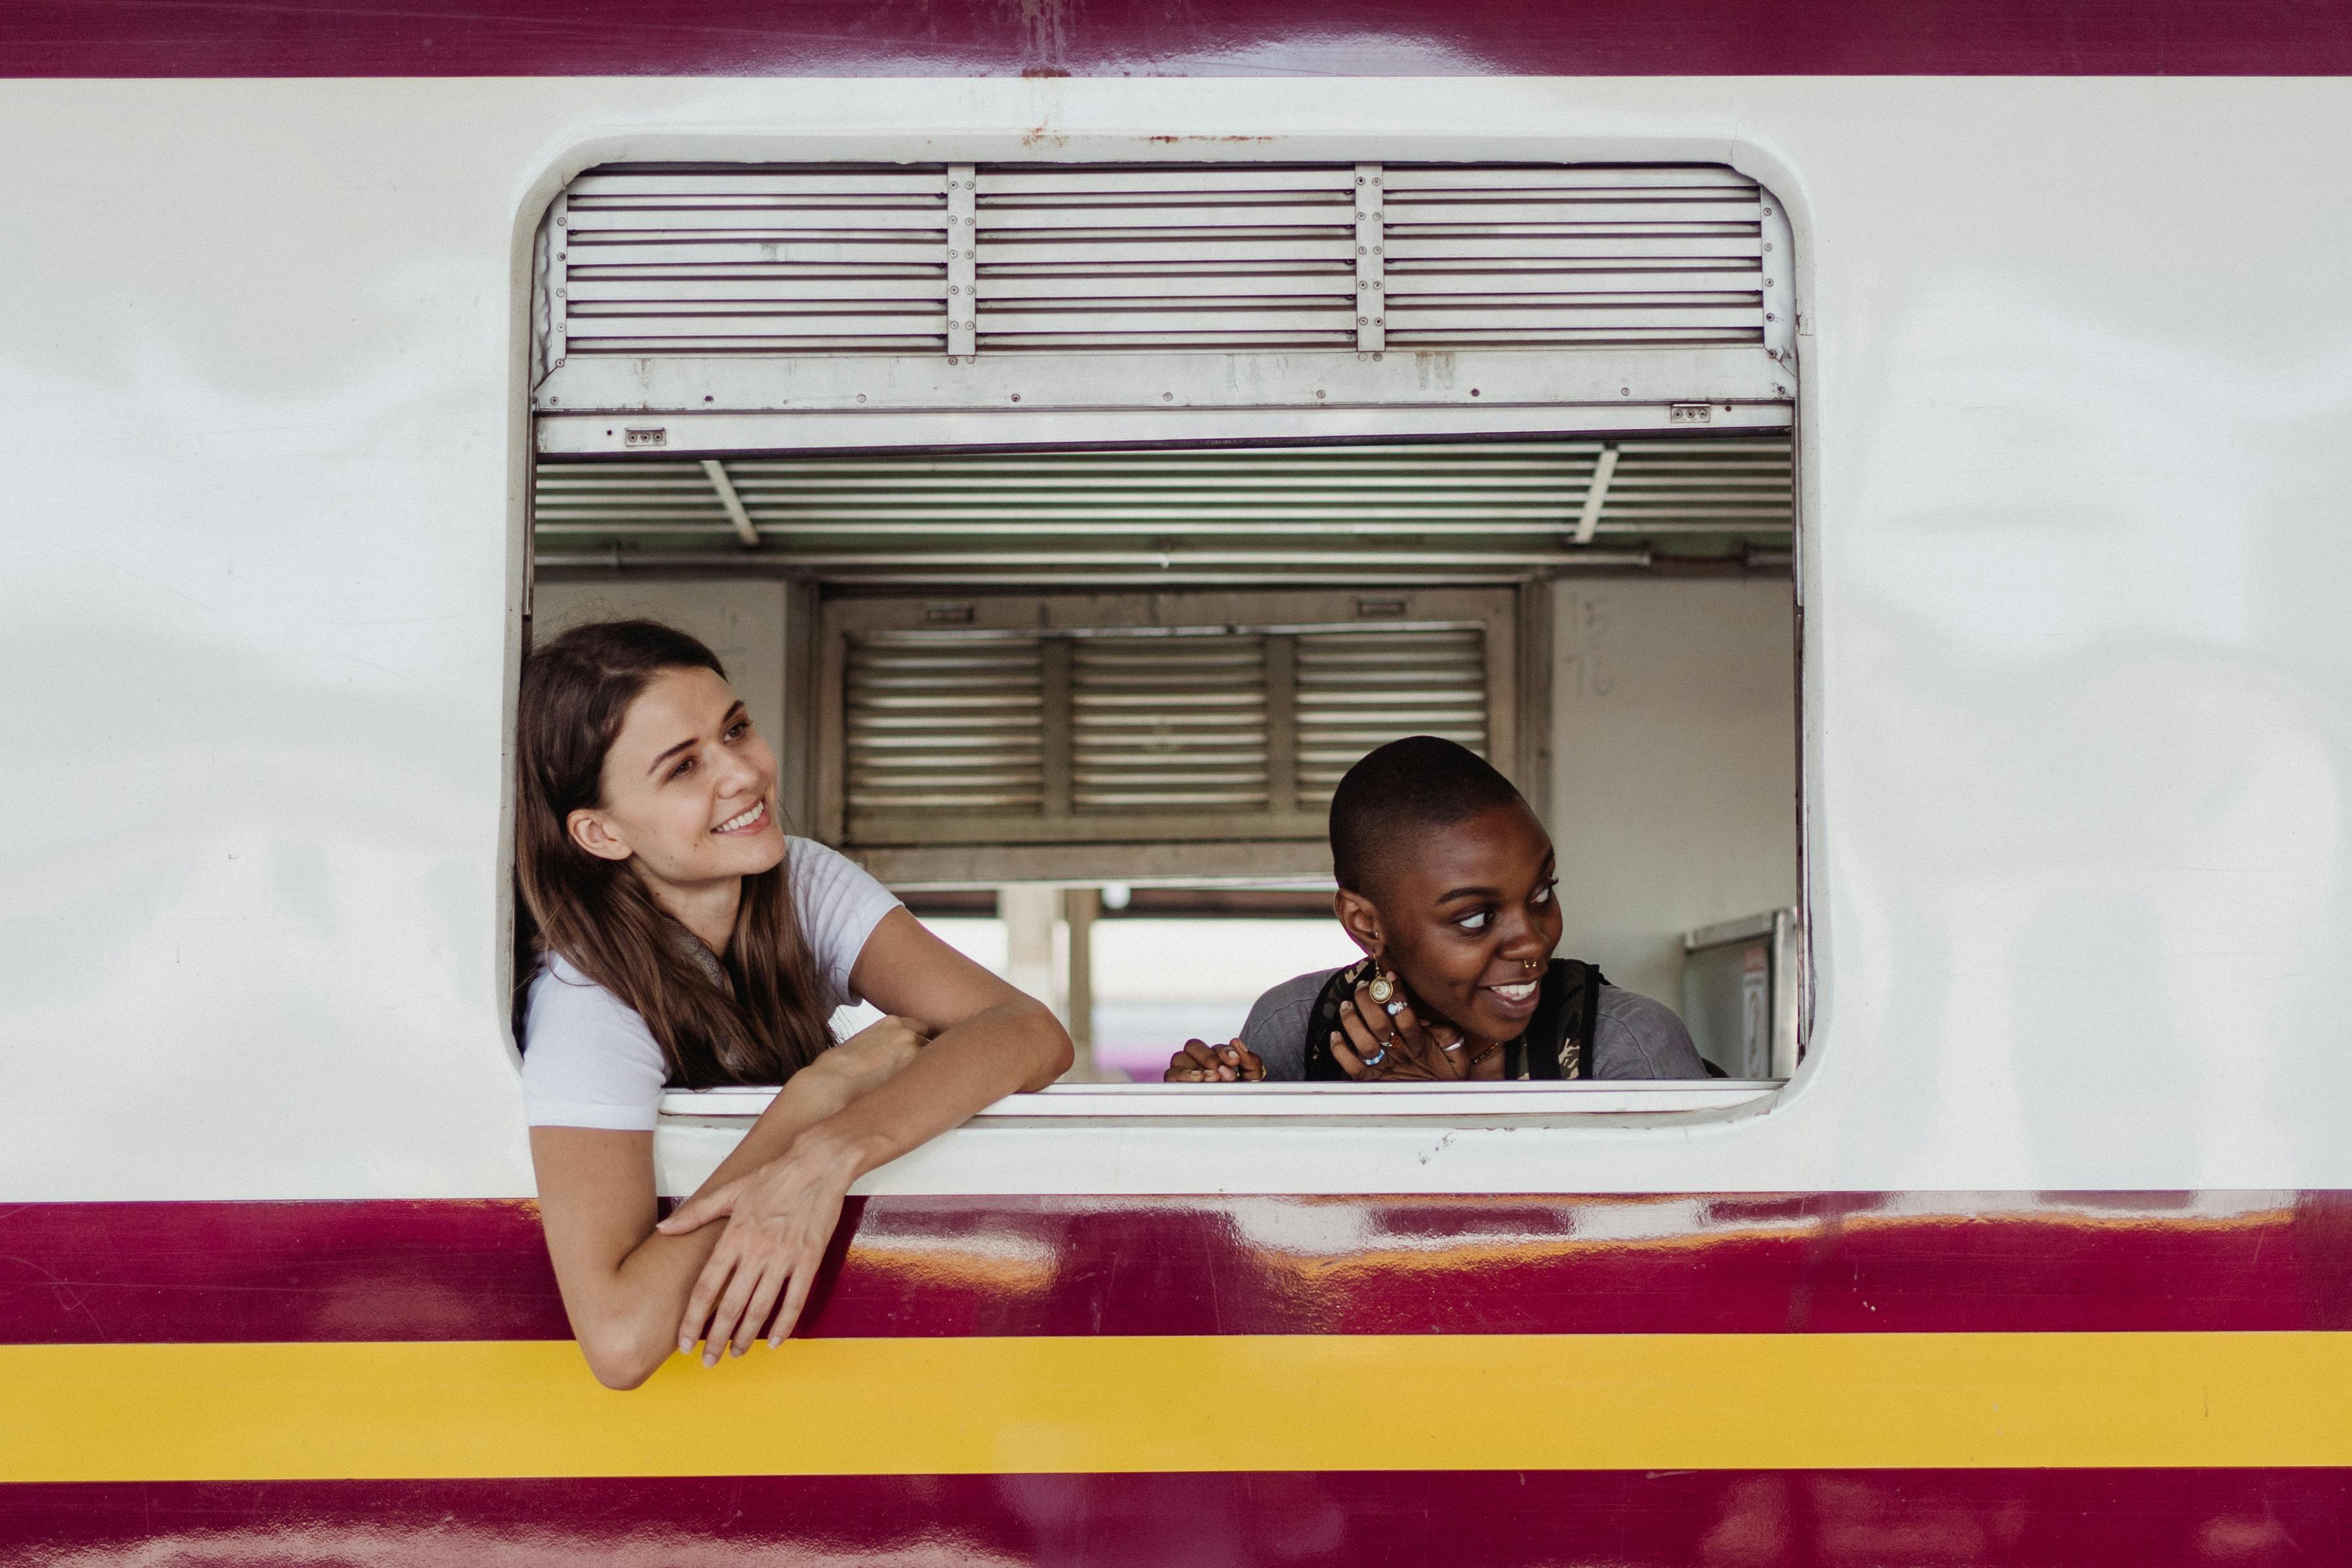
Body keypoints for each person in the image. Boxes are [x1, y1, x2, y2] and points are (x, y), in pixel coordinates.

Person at [516, 620, 1070, 1389]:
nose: (743, 773)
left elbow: (1030, 1032)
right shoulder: (587, 998)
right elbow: (619, 1338)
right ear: (601, 832)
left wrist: (834, 1149)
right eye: (684, 767)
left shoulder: (801, 880)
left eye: (735, 729)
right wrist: (817, 1095)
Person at [1165, 736, 1705, 1085]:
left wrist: (1441, 1117)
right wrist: (1219, 1125)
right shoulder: (1294, 1028)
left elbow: (1662, 1232)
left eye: (1541, 893)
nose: (1533, 942)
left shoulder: (1626, 1043)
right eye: (1474, 918)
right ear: (1365, 924)